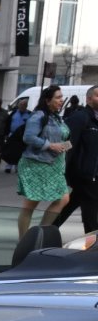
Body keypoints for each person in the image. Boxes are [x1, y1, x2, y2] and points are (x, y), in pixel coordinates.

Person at [15, 85, 73, 240]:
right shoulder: (39, 116)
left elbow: (62, 138)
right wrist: (50, 145)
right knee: (31, 203)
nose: (62, 100)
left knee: (63, 198)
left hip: (54, 165)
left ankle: (39, 235)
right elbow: (28, 137)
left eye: (62, 97)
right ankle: (24, 241)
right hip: (37, 164)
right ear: (48, 101)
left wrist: (66, 146)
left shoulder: (56, 117)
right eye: (58, 97)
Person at [50, 86, 98, 235]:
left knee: (71, 203)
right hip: (84, 173)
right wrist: (61, 170)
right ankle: (92, 244)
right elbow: (68, 143)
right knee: (90, 208)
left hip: (93, 172)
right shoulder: (80, 118)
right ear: (88, 99)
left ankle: (47, 229)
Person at [3, 97, 30, 173]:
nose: (22, 106)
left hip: (22, 135)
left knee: (20, 152)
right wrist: (6, 134)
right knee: (10, 151)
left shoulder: (29, 114)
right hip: (12, 135)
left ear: (26, 106)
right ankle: (8, 166)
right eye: (20, 105)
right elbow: (7, 124)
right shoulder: (13, 113)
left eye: (24, 105)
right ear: (18, 105)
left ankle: (17, 167)